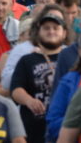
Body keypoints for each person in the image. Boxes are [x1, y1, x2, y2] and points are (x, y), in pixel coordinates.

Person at [10, 11, 68, 141]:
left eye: (55, 28)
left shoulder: (72, 58)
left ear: (64, 33)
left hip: (66, 131)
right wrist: (28, 100)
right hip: (34, 132)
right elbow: (16, 89)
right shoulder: (27, 60)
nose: (51, 31)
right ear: (38, 32)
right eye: (46, 28)